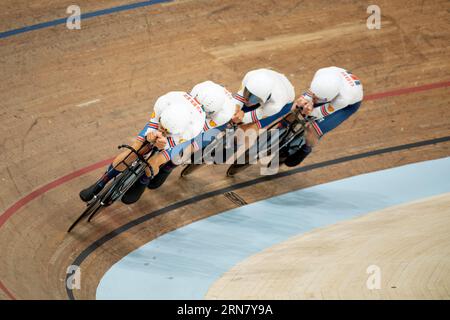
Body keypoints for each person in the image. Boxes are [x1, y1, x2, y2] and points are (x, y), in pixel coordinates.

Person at [79, 91, 206, 204]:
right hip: (159, 124)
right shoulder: (164, 102)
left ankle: (143, 181)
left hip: (177, 139)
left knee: (153, 162)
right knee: (133, 151)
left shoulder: (192, 129)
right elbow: (154, 124)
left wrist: (162, 144)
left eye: (166, 131)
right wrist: (148, 137)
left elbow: (174, 144)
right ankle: (100, 183)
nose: (162, 131)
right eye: (162, 127)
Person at [147, 80, 236, 188]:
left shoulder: (223, 115)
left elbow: (196, 131)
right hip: (194, 111)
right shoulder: (199, 90)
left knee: (189, 147)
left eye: (205, 110)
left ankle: (169, 166)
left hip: (212, 125)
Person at [285, 66, 363, 167]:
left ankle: (305, 150)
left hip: (346, 106)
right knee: (296, 106)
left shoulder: (344, 98)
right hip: (326, 92)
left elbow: (320, 113)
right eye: (315, 97)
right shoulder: (322, 73)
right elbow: (310, 92)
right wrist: (305, 99)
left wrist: (309, 110)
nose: (315, 100)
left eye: (318, 99)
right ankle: (281, 127)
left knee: (313, 129)